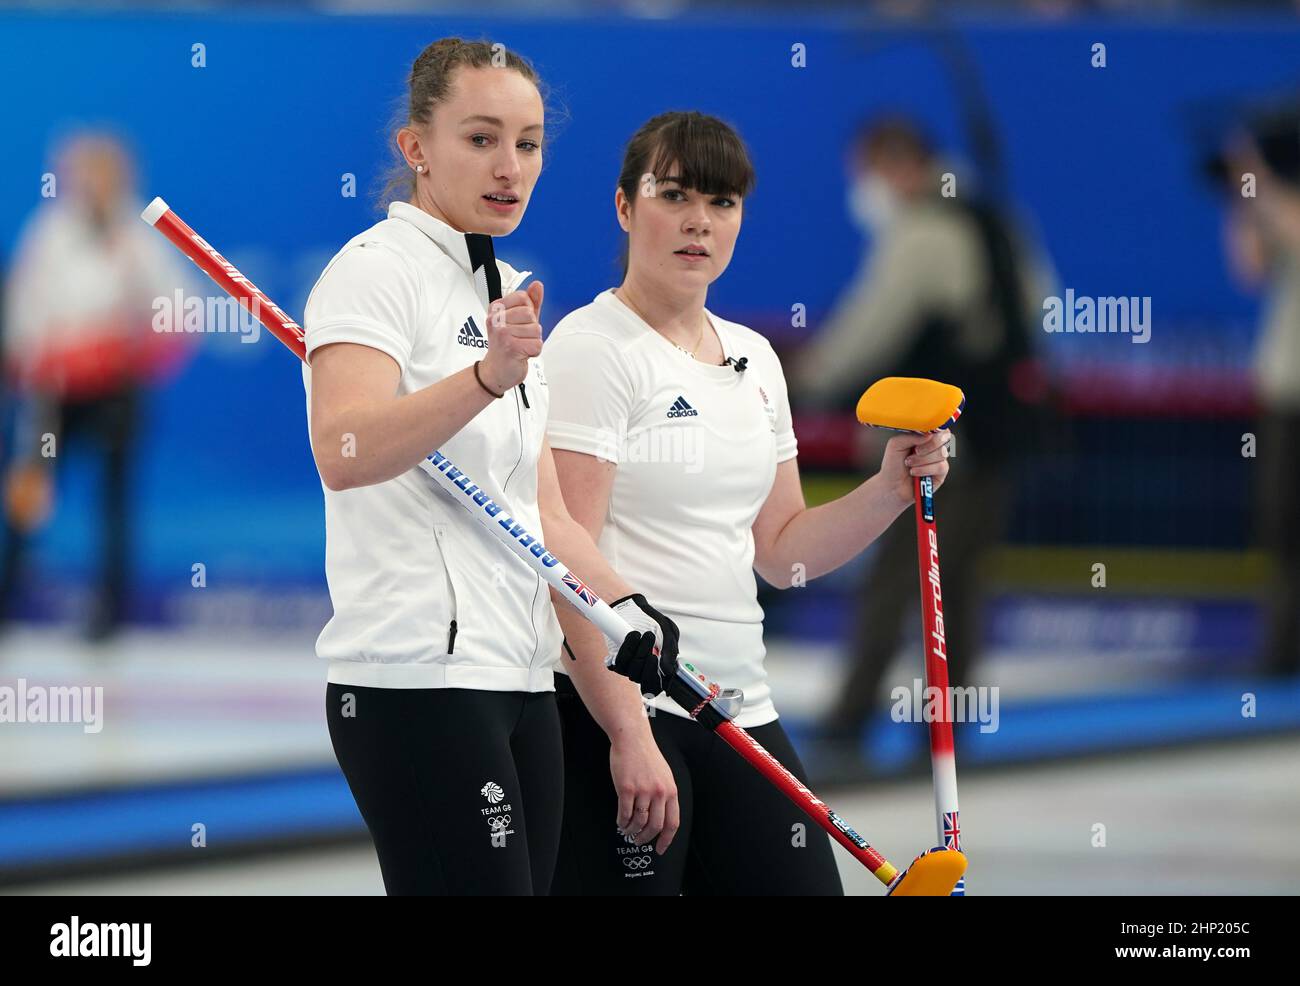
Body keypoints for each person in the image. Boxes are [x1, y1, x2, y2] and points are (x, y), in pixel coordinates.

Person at [303, 38, 679, 896]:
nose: (510, 167)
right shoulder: (372, 275)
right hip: (413, 681)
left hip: (518, 674)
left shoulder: (505, 287)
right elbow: (344, 450)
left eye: (529, 142)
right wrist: (482, 380)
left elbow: (543, 514)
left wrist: (624, 612)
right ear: (416, 149)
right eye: (480, 139)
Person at [541, 111, 951, 895]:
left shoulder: (755, 356)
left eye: (723, 202)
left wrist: (889, 491)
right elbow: (566, 567)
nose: (700, 220)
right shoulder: (592, 349)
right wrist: (627, 733)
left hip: (738, 707)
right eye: (675, 195)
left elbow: (782, 548)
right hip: (626, 712)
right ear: (624, 207)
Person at [791, 118, 1053, 754]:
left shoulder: (922, 231)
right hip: (996, 431)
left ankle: (850, 718)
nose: (865, 189)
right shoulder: (993, 220)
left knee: (895, 577)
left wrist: (804, 376)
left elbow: (872, 328)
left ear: (901, 164)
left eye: (869, 173)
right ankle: (949, 721)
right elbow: (1039, 301)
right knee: (959, 582)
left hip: (930, 440)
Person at [1, 132, 193, 641]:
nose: (87, 184)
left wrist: (133, 353)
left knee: (114, 497)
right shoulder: (50, 231)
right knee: (27, 490)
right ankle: (9, 594)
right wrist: (26, 363)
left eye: (98, 173)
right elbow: (24, 305)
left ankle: (108, 614)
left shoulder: (139, 234)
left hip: (114, 390)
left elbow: (178, 306)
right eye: (77, 173)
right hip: (54, 391)